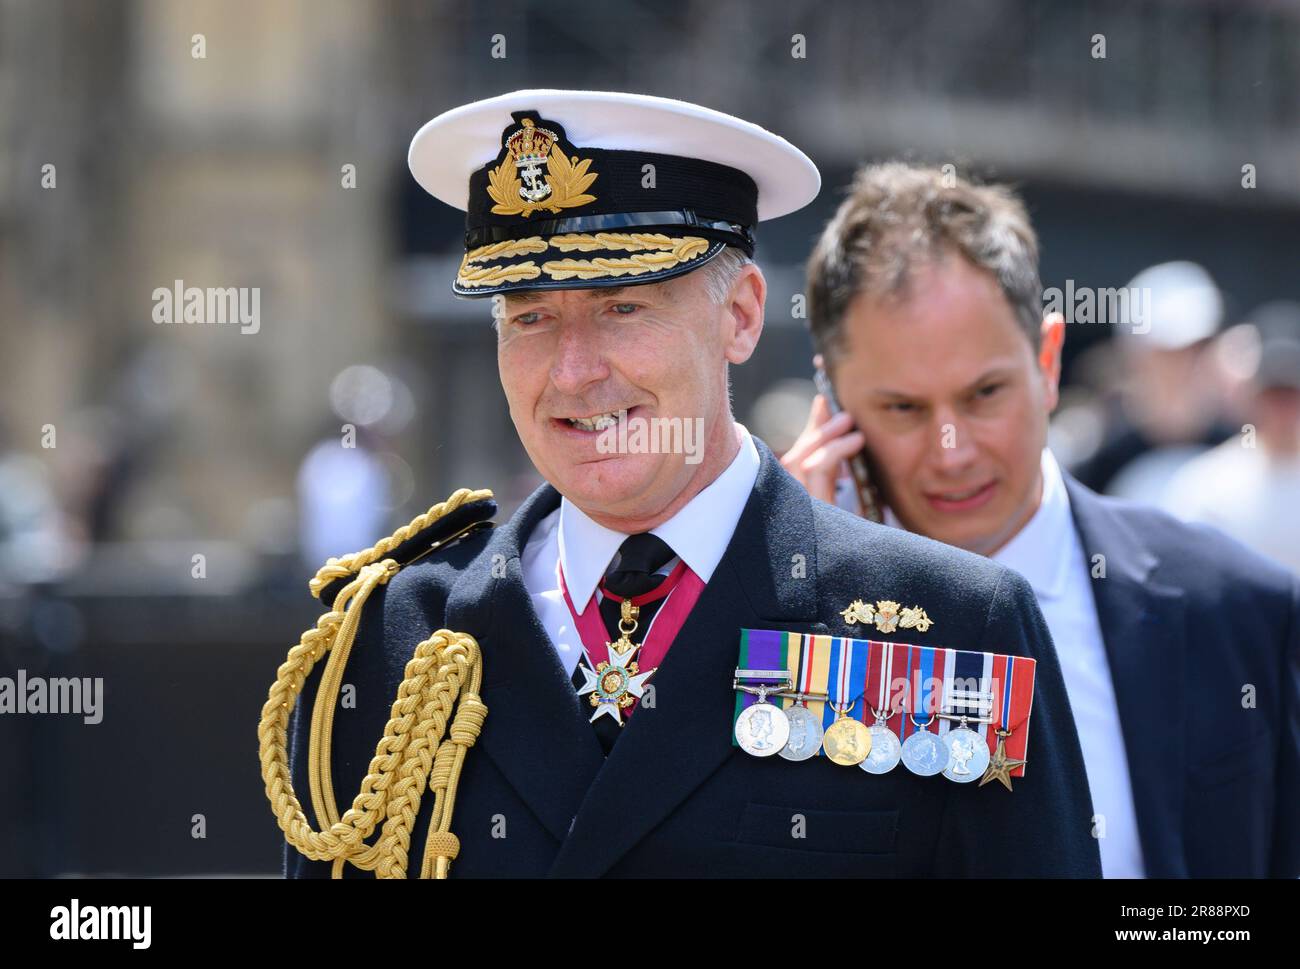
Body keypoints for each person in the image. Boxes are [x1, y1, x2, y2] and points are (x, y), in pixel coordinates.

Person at [264, 93, 1100, 879]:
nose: (574, 370)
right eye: (531, 317)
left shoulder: (954, 628)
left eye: (622, 306)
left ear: (738, 316)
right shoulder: (389, 639)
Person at [784, 160, 1300, 878]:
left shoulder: (1242, 611)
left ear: (1049, 360)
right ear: (833, 407)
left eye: (985, 393)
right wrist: (798, 600)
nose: (952, 450)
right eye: (904, 408)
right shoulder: (786, 622)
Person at [1165, 301, 1300, 574]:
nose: (1283, 408)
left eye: (1292, 394)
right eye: (1273, 394)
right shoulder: (1208, 485)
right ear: (1252, 395)